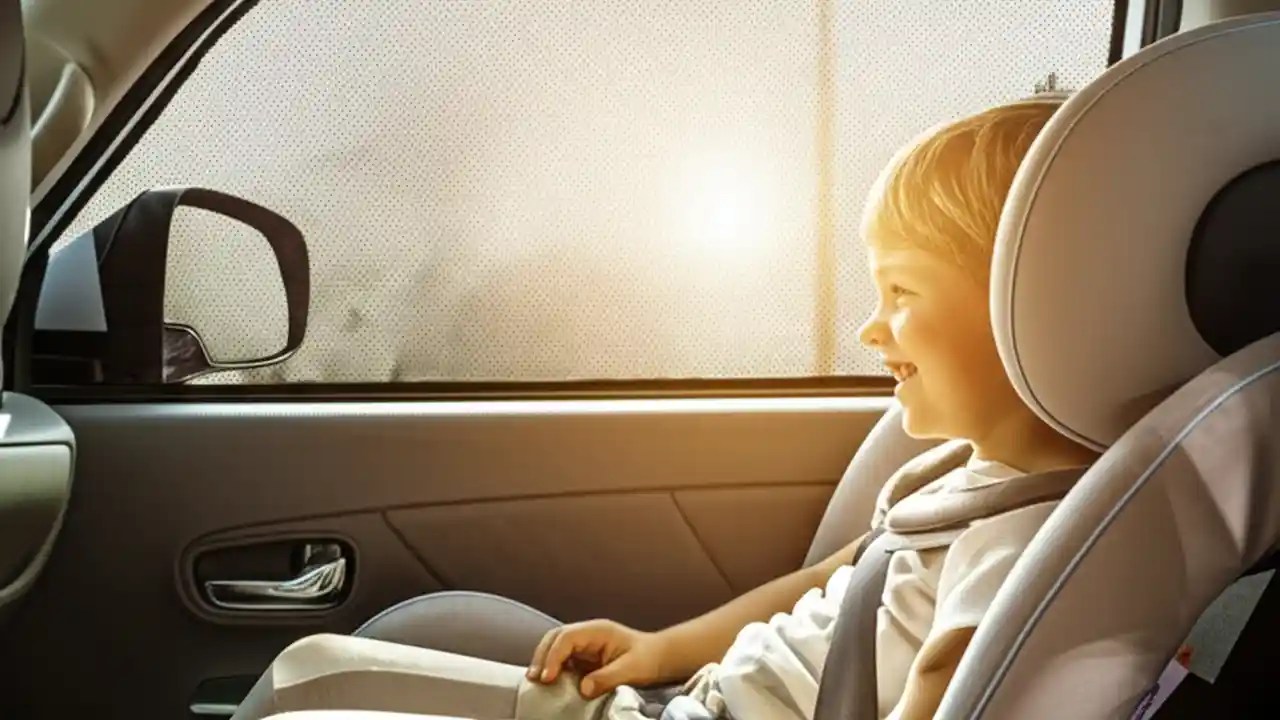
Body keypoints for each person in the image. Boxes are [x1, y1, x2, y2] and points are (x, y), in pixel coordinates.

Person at [231, 94, 1099, 720]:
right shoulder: (963, 472)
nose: (871, 329)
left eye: (902, 291)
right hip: (690, 703)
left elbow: (953, 688)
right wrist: (662, 648)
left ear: (1025, 305)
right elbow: (833, 581)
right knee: (314, 670)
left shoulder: (1027, 547)